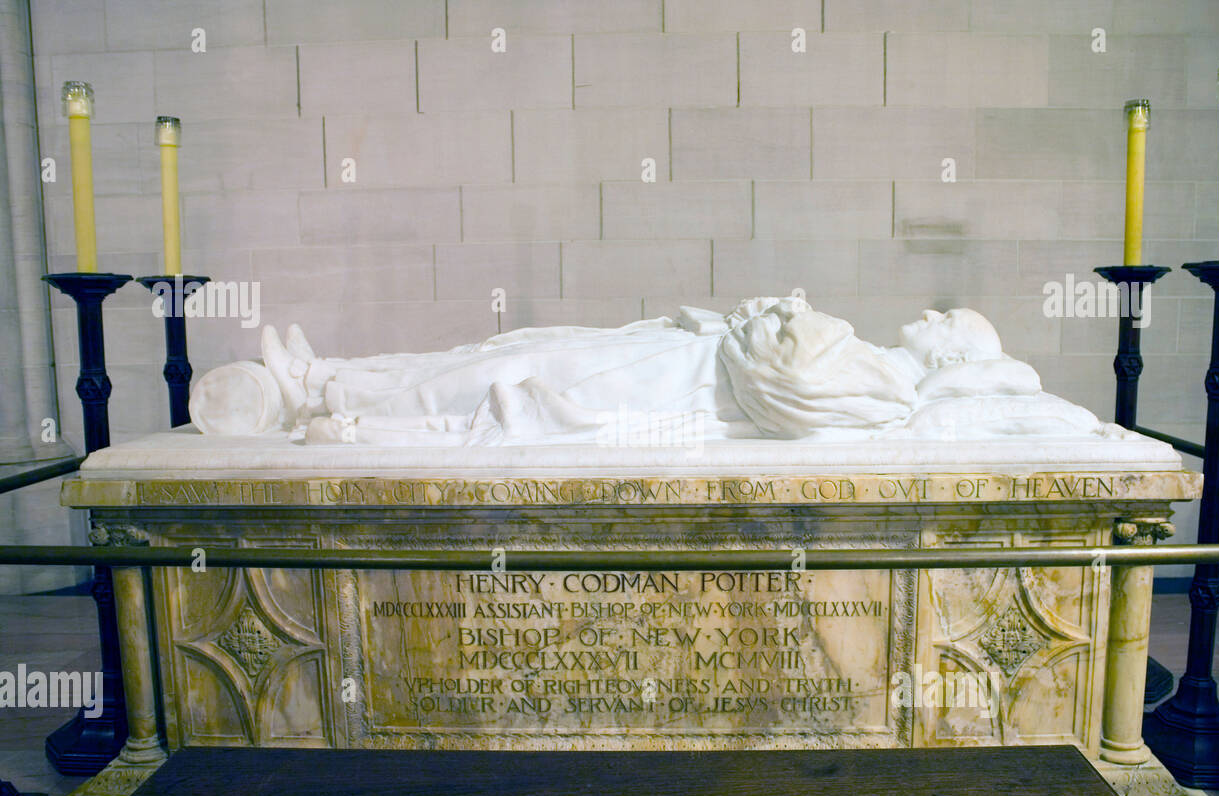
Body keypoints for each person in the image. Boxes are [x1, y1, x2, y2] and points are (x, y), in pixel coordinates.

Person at [190, 297, 1115, 445]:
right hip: (677, 354)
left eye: (948, 318)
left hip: (679, 386)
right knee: (506, 352)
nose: (932, 309)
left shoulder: (888, 383)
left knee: (512, 382)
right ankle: (325, 377)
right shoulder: (877, 356)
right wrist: (761, 317)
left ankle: (319, 396)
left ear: (950, 353)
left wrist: (765, 319)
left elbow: (783, 386)